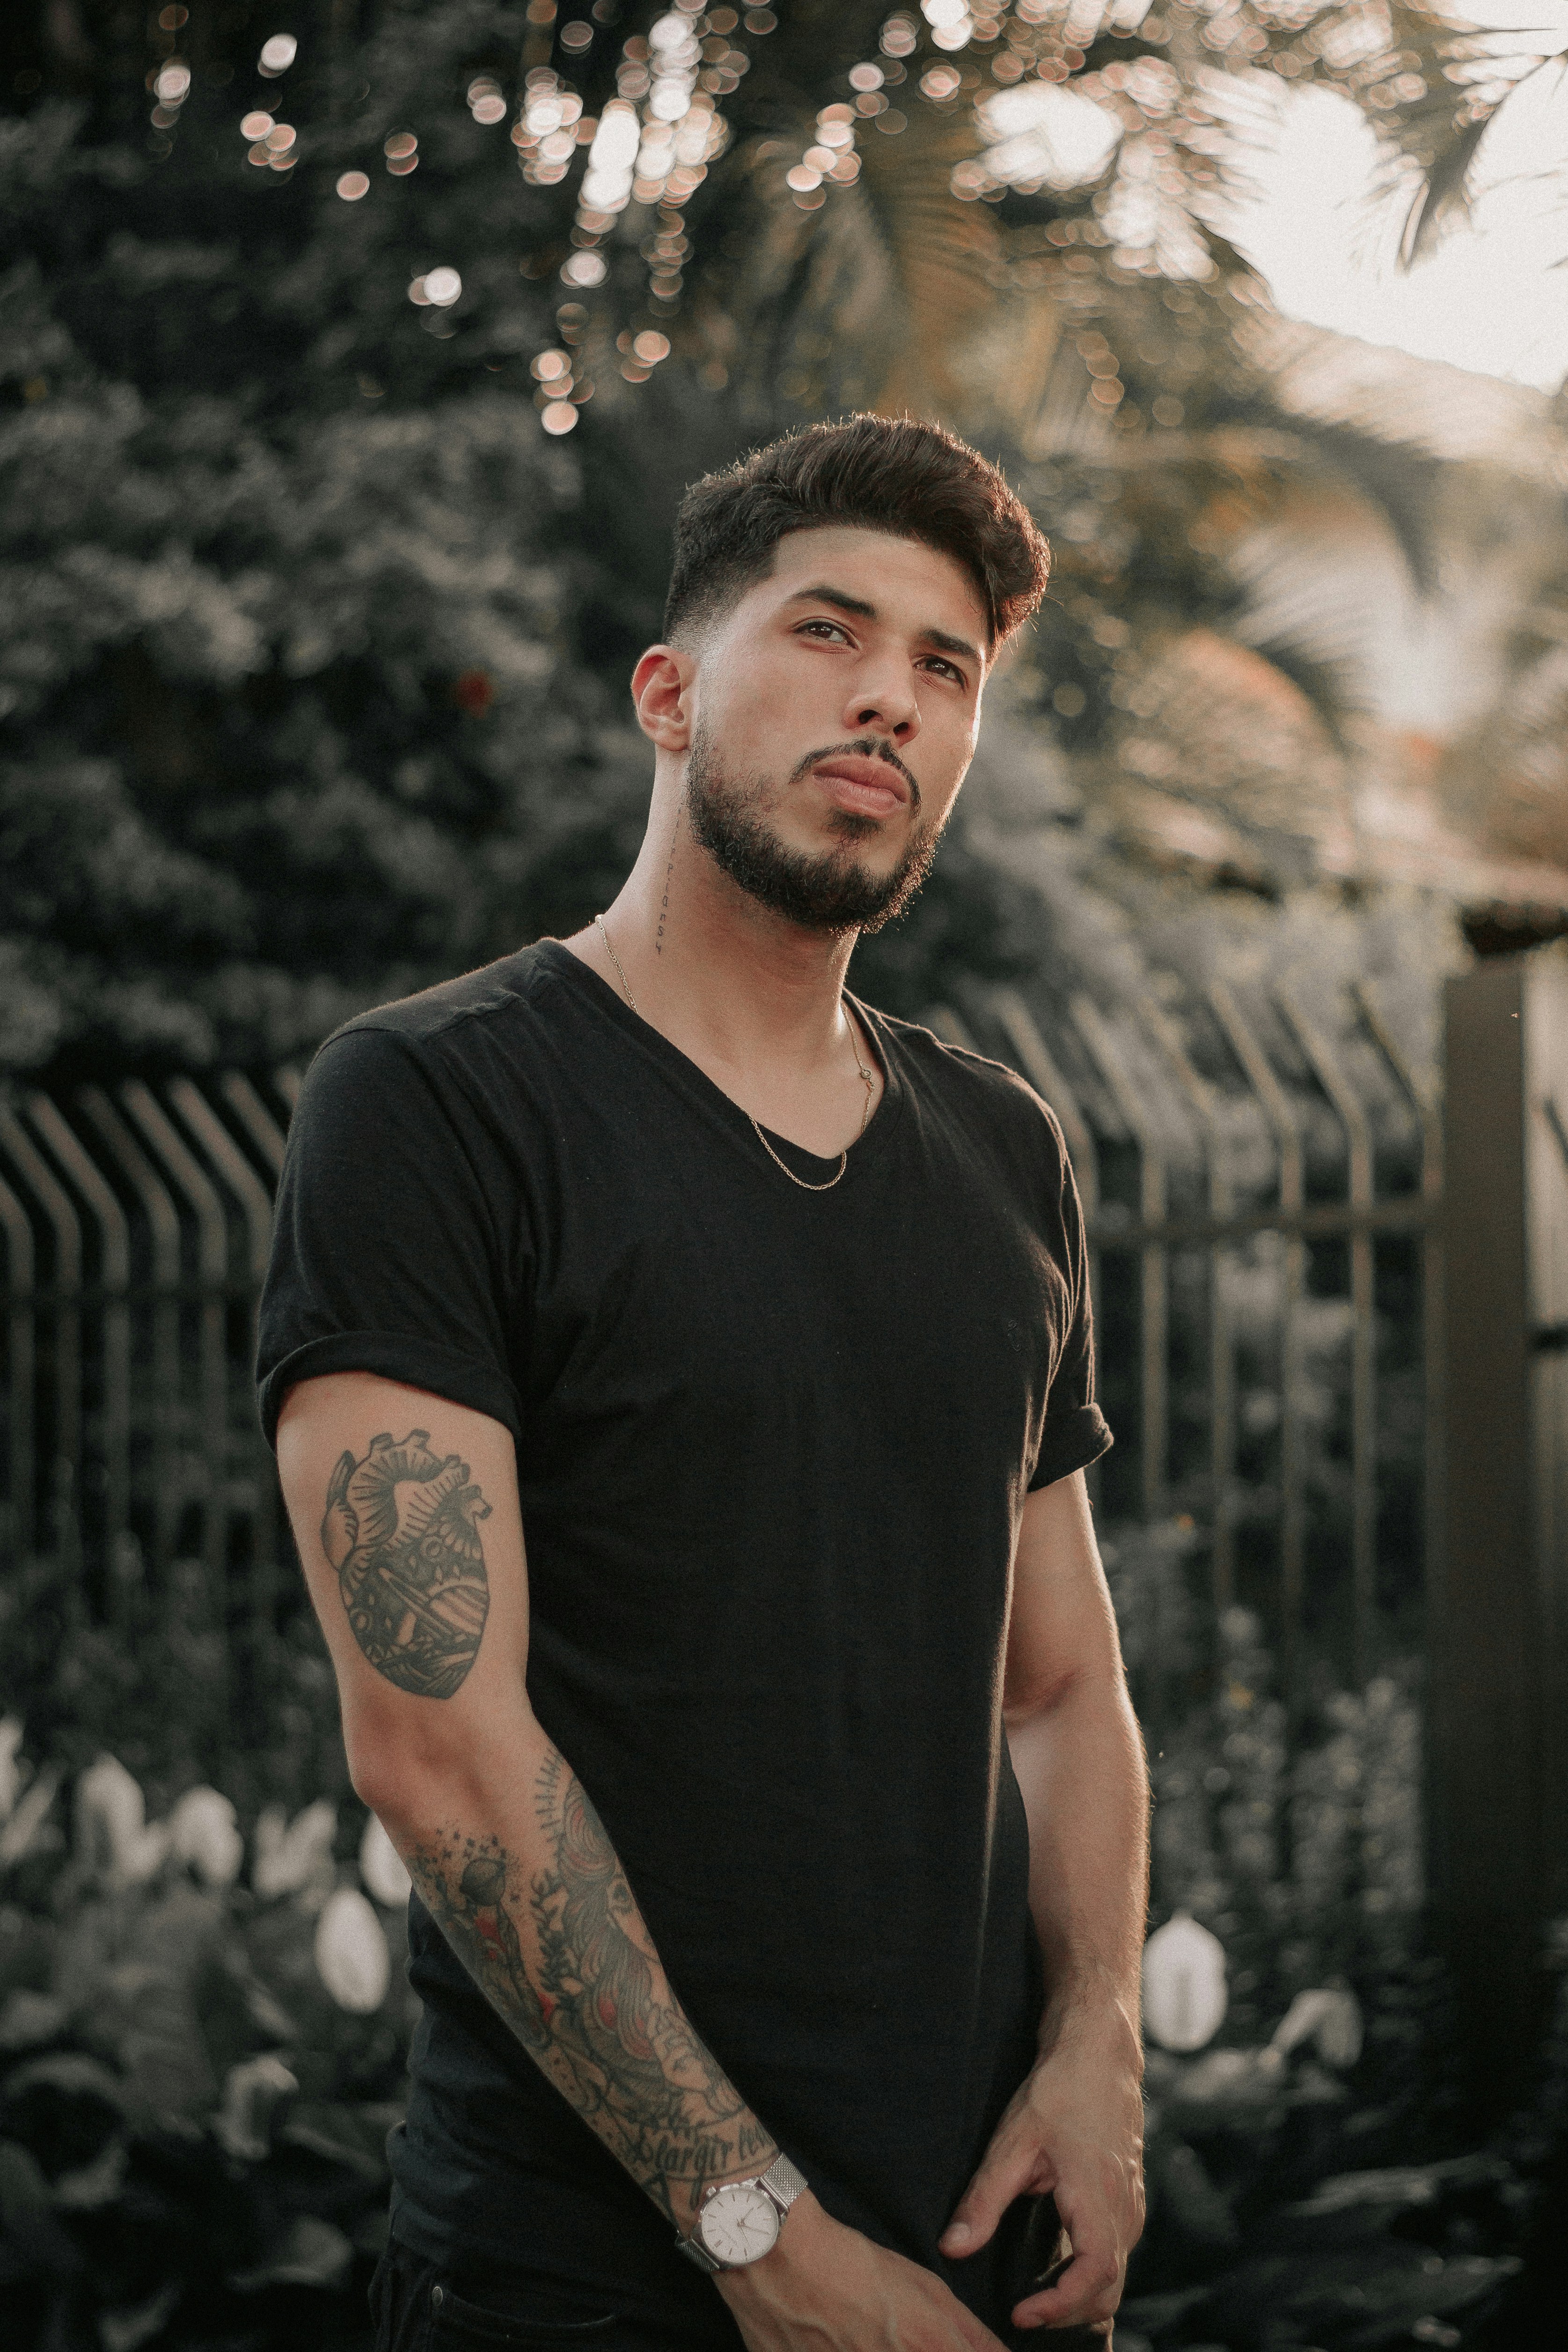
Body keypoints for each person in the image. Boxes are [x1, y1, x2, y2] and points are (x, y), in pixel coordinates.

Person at [257, 413, 1148, 2352]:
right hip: (592, 2276)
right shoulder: (438, 1104)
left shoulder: (1009, 1154)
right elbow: (436, 1742)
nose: (889, 699)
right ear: (668, 691)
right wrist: (753, 2232)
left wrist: (1098, 2060)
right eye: (828, 631)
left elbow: (1063, 1685)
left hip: (984, 2248)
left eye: (944, 668)